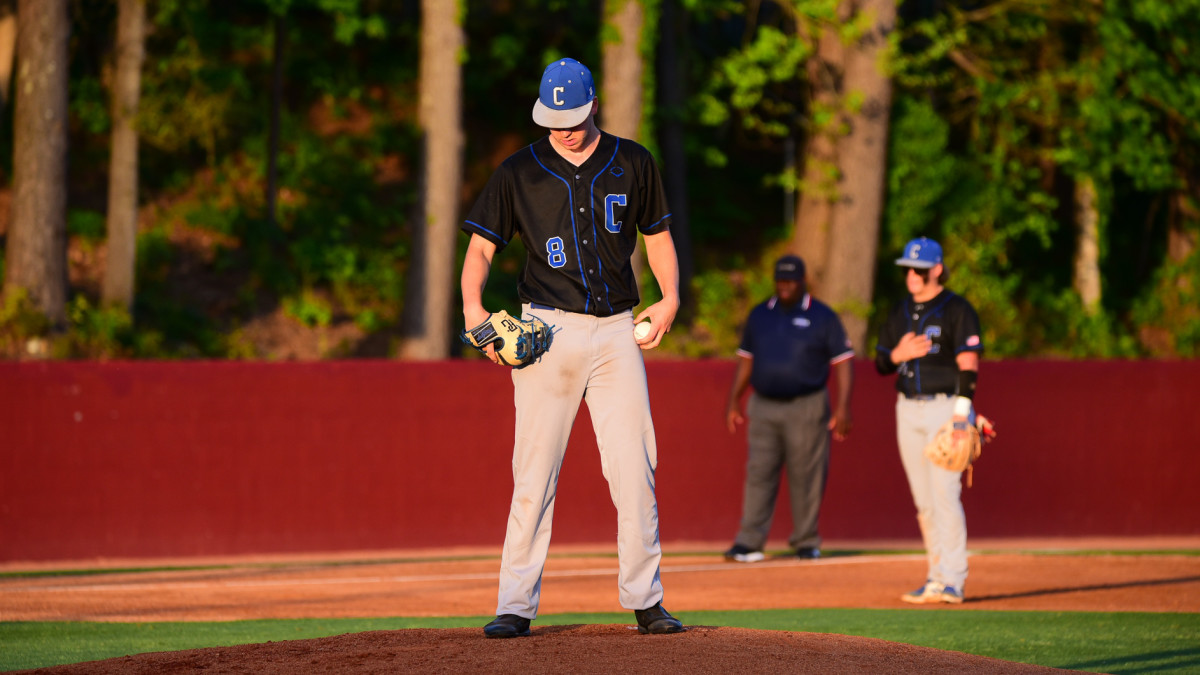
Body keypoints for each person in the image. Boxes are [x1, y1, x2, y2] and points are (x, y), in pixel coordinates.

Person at [460, 58, 684, 638]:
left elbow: (657, 237)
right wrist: (473, 312)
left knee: (635, 467)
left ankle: (646, 599)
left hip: (616, 329)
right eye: (553, 116)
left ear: (594, 106)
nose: (563, 127)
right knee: (534, 471)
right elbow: (481, 250)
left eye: (573, 115)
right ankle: (514, 604)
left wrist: (670, 297)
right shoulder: (519, 171)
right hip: (545, 332)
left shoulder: (632, 160)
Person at [722, 255, 855, 563]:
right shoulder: (760, 315)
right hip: (764, 405)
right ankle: (749, 541)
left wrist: (843, 407)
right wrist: (734, 400)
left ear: (802, 281)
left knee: (806, 474)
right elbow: (746, 361)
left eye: (791, 281)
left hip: (805, 405)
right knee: (758, 472)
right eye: (780, 280)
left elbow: (844, 362)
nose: (785, 286)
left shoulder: (822, 316)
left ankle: (806, 541)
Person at [874, 236, 984, 604]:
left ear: (937, 270)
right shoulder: (899, 311)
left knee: (946, 495)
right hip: (907, 408)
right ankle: (935, 575)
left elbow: (969, 363)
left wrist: (960, 414)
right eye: (908, 268)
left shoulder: (957, 309)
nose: (912, 275)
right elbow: (880, 364)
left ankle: (954, 578)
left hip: (944, 408)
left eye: (919, 269)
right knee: (924, 501)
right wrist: (898, 354)